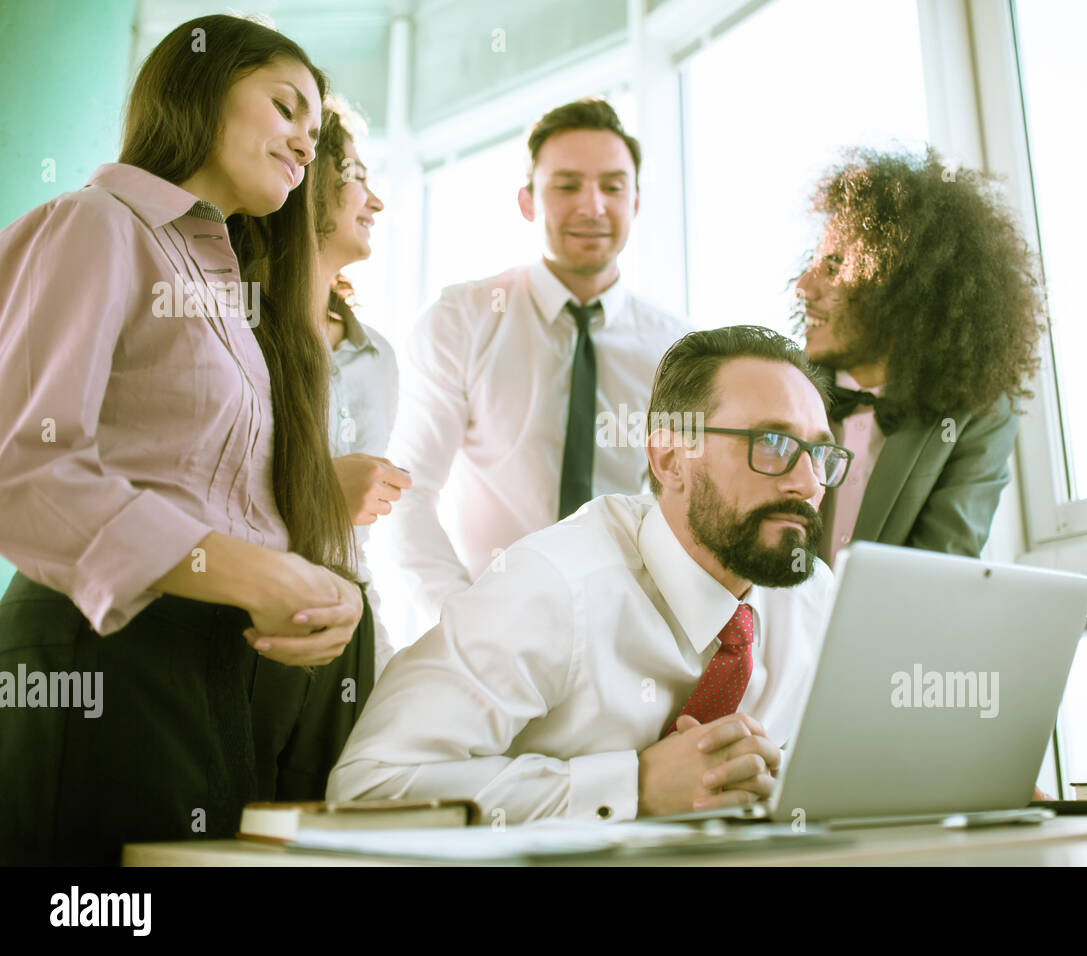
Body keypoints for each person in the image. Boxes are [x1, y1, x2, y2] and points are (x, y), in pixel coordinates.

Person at [0, 15, 367, 865]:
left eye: (315, 136)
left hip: (217, 670)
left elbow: (227, 493)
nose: (304, 144)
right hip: (103, 660)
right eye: (285, 108)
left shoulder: (228, 290)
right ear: (201, 87)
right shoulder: (96, 223)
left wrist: (320, 586)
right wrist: (253, 570)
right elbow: (23, 466)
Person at [329, 326, 845, 822]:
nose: (808, 482)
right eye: (771, 444)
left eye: (820, 453)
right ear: (669, 461)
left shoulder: (818, 599)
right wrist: (632, 787)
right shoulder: (552, 586)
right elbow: (368, 786)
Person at [385, 97, 691, 630]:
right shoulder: (461, 321)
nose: (592, 206)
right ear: (528, 202)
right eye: (567, 185)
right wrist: (468, 622)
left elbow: (686, 508)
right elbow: (407, 494)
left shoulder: (678, 350)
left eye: (613, 186)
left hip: (626, 634)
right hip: (487, 627)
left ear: (636, 201)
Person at [797, 147, 1045, 564]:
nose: (804, 286)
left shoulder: (980, 416)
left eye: (835, 267)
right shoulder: (786, 390)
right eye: (813, 263)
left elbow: (938, 569)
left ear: (903, 287)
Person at [310, 95, 407, 678]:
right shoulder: (239, 333)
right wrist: (319, 496)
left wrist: (378, 661)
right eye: (357, 178)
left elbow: (355, 544)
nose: (375, 201)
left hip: (348, 624)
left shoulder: (379, 359)